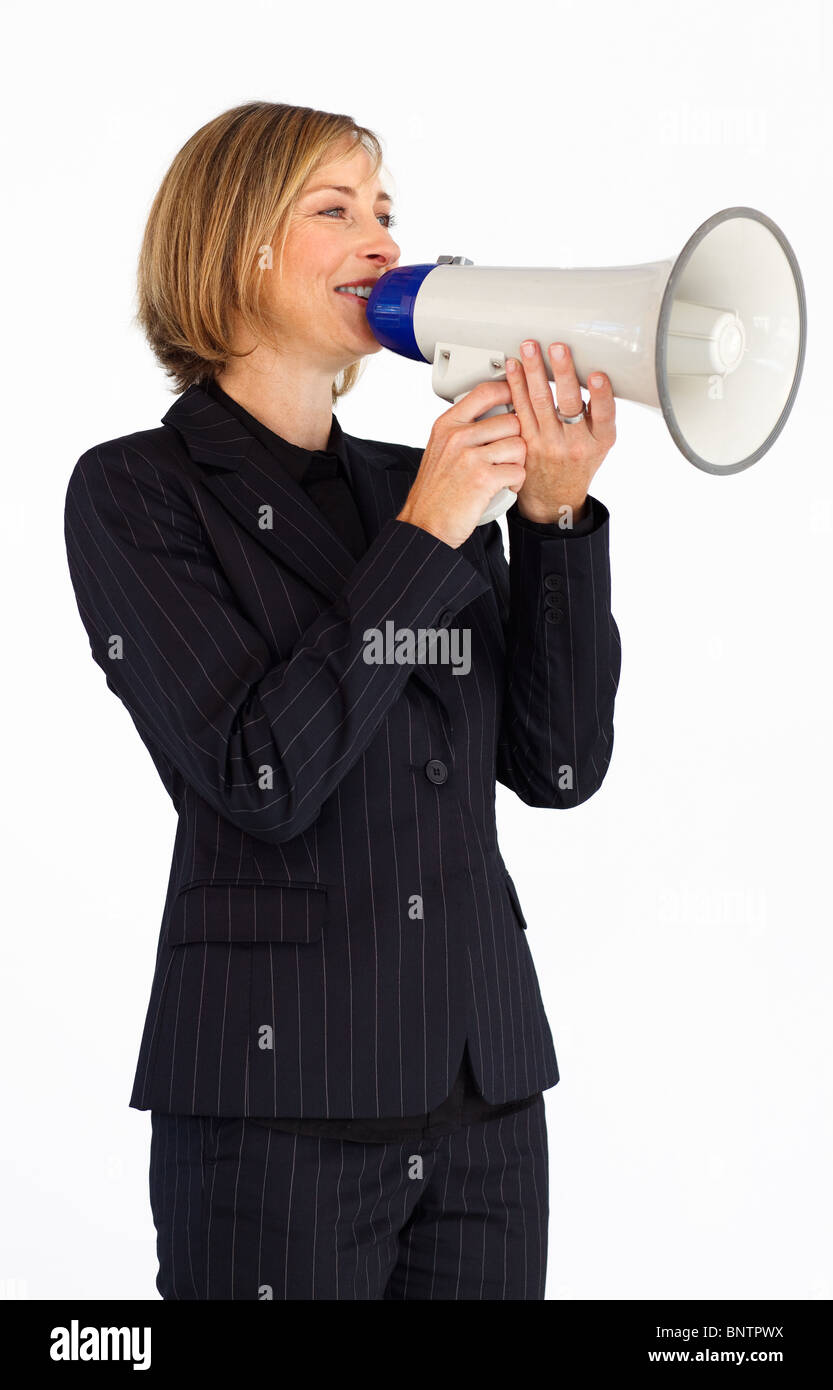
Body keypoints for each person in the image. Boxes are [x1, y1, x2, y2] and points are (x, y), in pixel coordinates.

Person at [63, 101, 621, 1300]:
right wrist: (431, 528)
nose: (382, 241)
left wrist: (554, 517)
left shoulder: (410, 486)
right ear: (234, 248)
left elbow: (558, 764)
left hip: (483, 1098)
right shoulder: (136, 493)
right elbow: (260, 772)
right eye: (335, 209)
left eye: (386, 211)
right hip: (279, 1110)